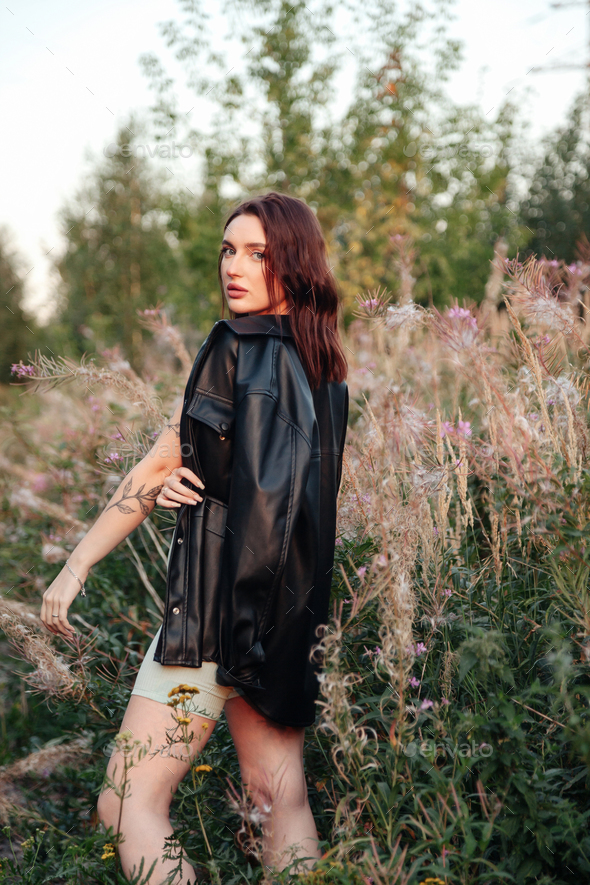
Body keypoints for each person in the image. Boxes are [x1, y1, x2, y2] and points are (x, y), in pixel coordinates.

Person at [40, 191, 349, 885]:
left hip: (215, 610)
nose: (234, 267)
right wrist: (206, 482)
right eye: (228, 250)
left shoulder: (234, 346)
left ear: (295, 264)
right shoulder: (325, 370)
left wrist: (77, 564)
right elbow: (283, 493)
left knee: (127, 804)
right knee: (278, 798)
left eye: (258, 254)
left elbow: (159, 465)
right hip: (290, 616)